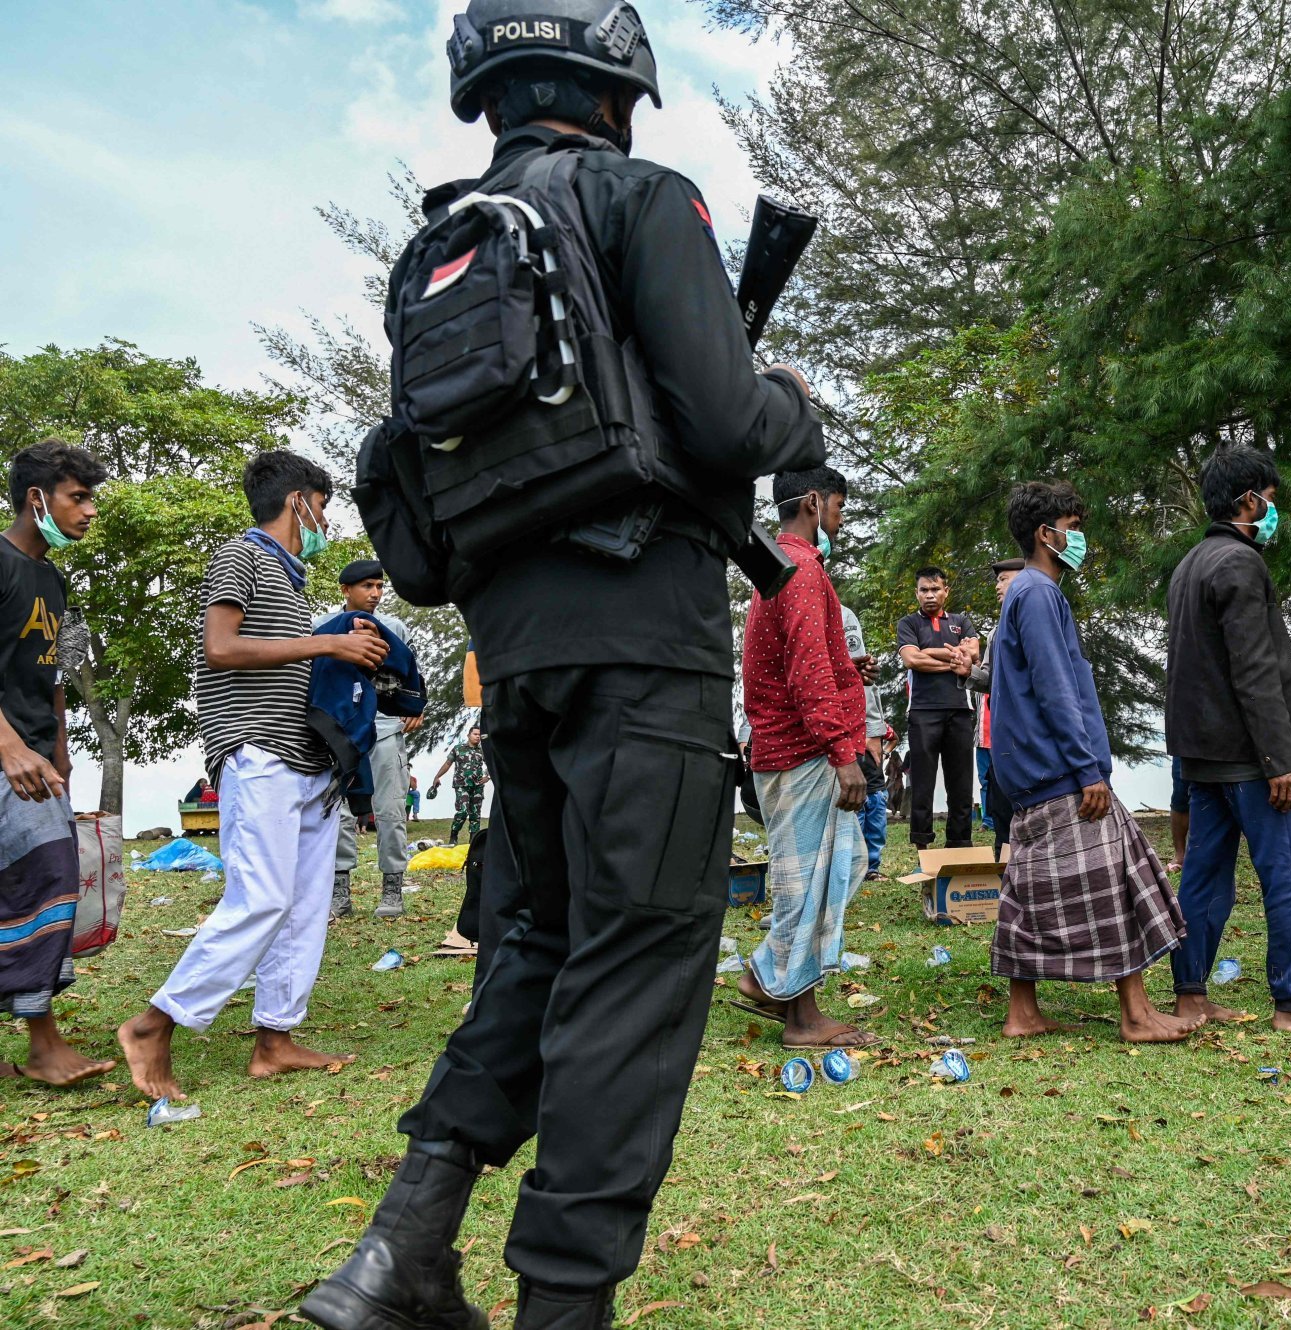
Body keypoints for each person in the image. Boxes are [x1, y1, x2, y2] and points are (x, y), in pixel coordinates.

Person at [303, 6, 826, 1325]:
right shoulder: (642, 200)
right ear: (618, 88)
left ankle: (400, 1251)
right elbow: (722, 420)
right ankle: (563, 1304)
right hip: (642, 643)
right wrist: (790, 405)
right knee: (639, 957)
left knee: (535, 940)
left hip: (514, 659)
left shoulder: (439, 241)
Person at [119, 450, 387, 1102]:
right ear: (298, 500)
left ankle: (275, 1040)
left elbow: (286, 660)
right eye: (321, 507)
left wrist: (338, 640)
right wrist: (329, 643)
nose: (323, 520)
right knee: (262, 897)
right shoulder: (238, 556)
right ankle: (155, 1023)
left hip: (307, 765)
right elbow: (222, 648)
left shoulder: (290, 582)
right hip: (256, 752)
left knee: (302, 907)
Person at [988, 481, 1198, 1042]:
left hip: (1032, 773)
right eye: (1073, 527)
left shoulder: (1029, 594)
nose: (1080, 538)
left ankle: (1022, 1013)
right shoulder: (1036, 594)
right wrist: (1087, 769)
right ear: (1046, 534)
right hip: (1059, 772)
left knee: (1029, 891)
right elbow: (1056, 688)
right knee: (1119, 882)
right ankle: (1136, 1013)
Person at [1166, 446, 1291, 1032]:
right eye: (1270, 501)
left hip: (1202, 757)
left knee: (1203, 874)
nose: (1273, 511)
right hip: (1252, 759)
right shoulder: (1240, 563)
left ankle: (1191, 996)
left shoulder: (1191, 563)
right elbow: (1254, 670)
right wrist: (1279, 760)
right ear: (1249, 499)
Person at [732, 466, 872, 1049]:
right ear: (814, 502)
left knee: (839, 867)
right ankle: (799, 1014)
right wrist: (843, 753)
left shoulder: (778, 567)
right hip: (803, 751)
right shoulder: (803, 568)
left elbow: (808, 659)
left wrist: (849, 676)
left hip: (785, 745)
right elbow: (806, 668)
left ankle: (770, 979)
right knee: (807, 883)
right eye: (838, 507)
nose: (839, 519)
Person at [0, 441, 114, 1087]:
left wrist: (61, 748)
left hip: (37, 759)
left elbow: (59, 670)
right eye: (79, 497)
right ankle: (44, 1047)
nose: (90, 511)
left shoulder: (56, 580)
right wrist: (10, 746)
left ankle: (42, 1041)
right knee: (44, 884)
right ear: (36, 499)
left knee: (39, 888)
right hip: (6, 757)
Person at [321, 559, 422, 919]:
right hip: (341, 736)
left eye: (380, 586)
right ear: (346, 590)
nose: (375, 593)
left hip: (384, 730)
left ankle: (392, 888)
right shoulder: (323, 627)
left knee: (391, 810)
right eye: (367, 586)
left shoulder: (393, 628)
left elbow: (411, 674)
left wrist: (415, 706)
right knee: (339, 813)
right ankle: (339, 892)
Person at [895, 566, 980, 849]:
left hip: (959, 710)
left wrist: (929, 650)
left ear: (946, 591)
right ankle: (922, 843)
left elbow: (973, 653)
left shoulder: (961, 621)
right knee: (922, 782)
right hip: (922, 711)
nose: (930, 595)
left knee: (961, 784)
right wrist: (952, 660)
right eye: (924, 590)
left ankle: (960, 842)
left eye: (935, 589)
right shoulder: (908, 624)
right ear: (916, 593)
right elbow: (912, 660)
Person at [974, 559, 1025, 840]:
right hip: (1002, 734)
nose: (997, 585)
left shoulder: (1040, 619)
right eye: (997, 580)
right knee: (1000, 801)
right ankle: (1004, 869)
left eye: (1004, 579)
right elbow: (988, 678)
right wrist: (966, 670)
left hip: (1030, 736)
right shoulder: (995, 632)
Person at [840, 604, 890, 880]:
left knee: (872, 795)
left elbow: (860, 679)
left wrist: (872, 730)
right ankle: (852, 865)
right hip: (831, 729)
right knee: (851, 799)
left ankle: (869, 865)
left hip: (858, 727)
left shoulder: (843, 614)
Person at [428, 727, 489, 847]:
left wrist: (488, 777)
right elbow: (447, 764)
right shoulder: (458, 748)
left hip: (477, 786)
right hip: (461, 785)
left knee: (475, 814)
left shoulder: (482, 751)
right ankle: (454, 835)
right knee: (463, 810)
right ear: (468, 735)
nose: (477, 737)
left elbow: (492, 764)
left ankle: (473, 841)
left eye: (479, 735)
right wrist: (437, 776)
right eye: (475, 734)